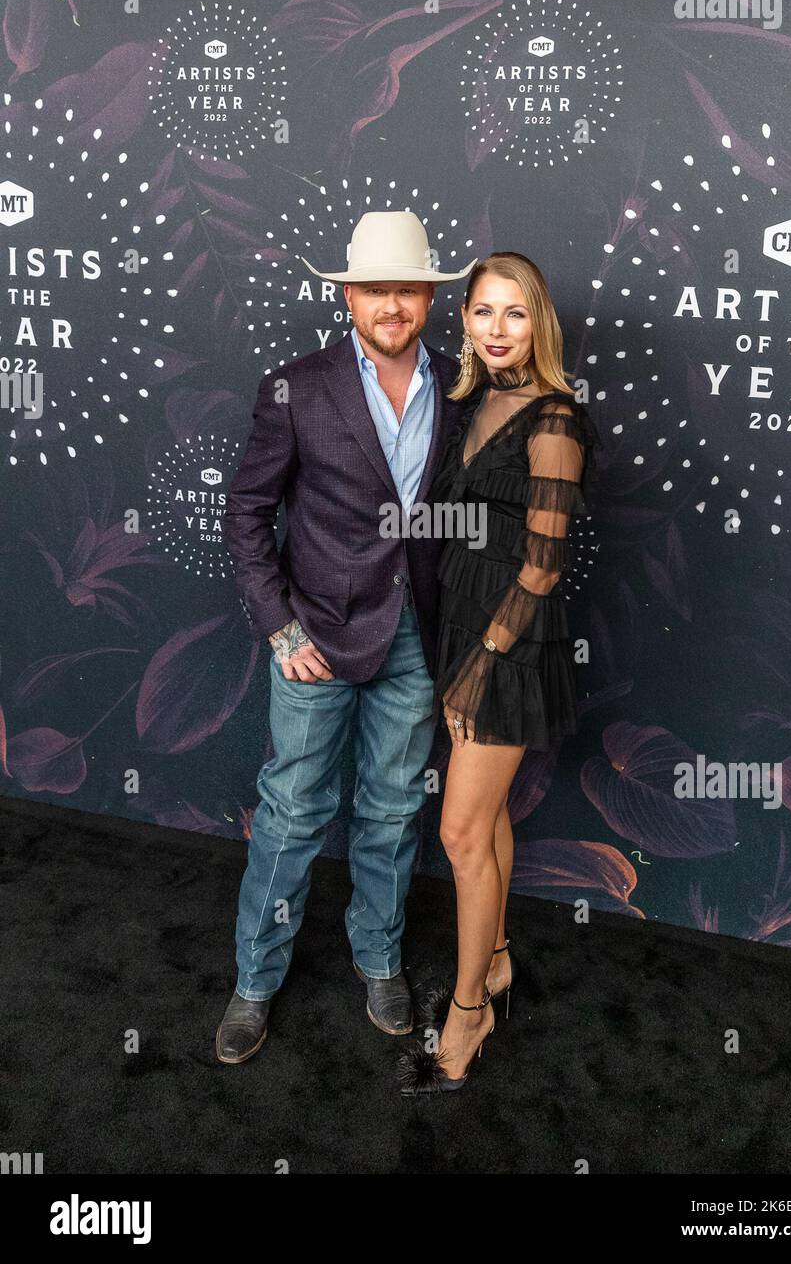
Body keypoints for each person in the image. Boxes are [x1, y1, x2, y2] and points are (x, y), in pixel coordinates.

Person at [215, 210, 476, 1063]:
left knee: (395, 810)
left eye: (407, 288)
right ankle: (254, 982)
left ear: (429, 297)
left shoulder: (461, 382)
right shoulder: (297, 385)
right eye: (374, 290)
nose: (391, 304)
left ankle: (379, 960)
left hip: (414, 635)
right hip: (316, 637)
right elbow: (248, 510)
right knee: (292, 812)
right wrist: (278, 625)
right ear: (349, 296)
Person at [398, 252, 600, 1094]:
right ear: (468, 322)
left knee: (457, 833)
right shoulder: (471, 401)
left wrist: (483, 659)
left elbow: (547, 563)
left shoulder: (554, 420)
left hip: (510, 647)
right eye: (483, 312)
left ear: (538, 324)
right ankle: (503, 957)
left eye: (515, 314)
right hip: (460, 630)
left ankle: (469, 1012)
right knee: (487, 820)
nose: (497, 329)